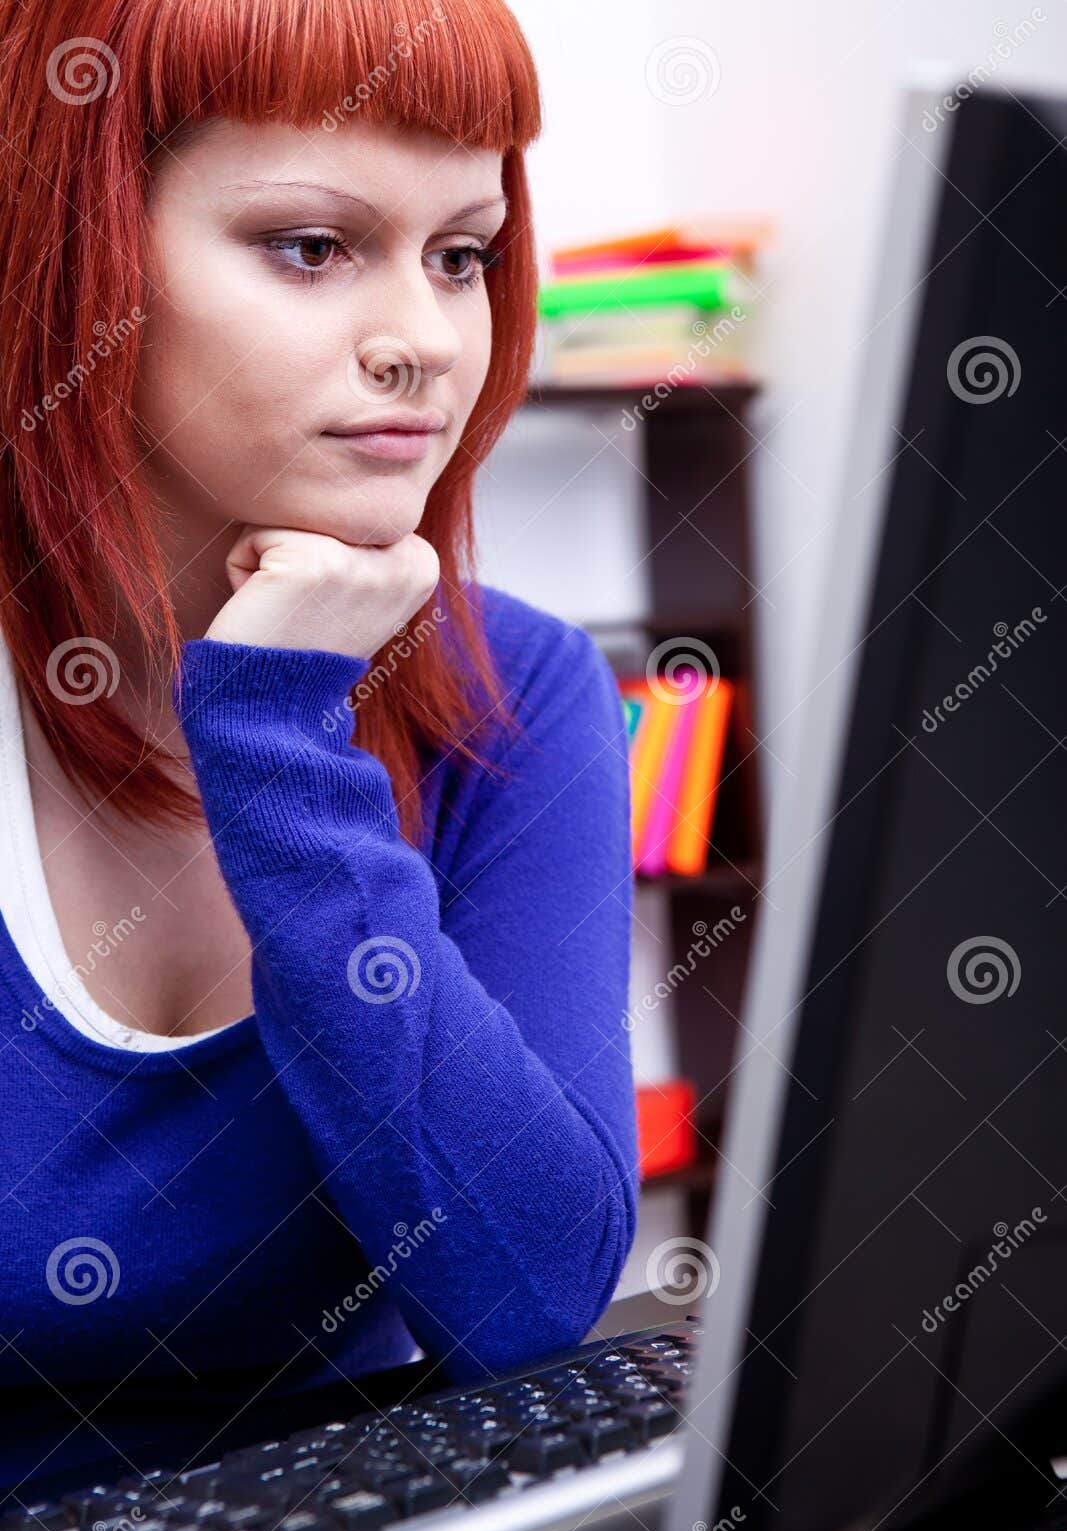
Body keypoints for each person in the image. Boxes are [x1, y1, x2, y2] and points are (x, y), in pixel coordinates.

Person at [0, 0, 639, 1416]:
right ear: (73, 256)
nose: (423, 342)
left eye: (461, 255)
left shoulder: (516, 693)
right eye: (312, 247)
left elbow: (527, 1302)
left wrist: (280, 737)